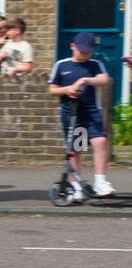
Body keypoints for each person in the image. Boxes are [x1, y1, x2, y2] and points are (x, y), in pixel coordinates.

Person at [48, 31, 116, 197]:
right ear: (72, 46)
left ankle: (100, 181)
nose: (85, 54)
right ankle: (76, 186)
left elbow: (104, 80)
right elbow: (52, 89)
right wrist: (68, 90)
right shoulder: (62, 65)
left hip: (90, 112)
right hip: (72, 115)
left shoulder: (95, 64)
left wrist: (86, 80)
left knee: (100, 141)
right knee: (76, 150)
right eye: (81, 51)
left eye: (88, 51)